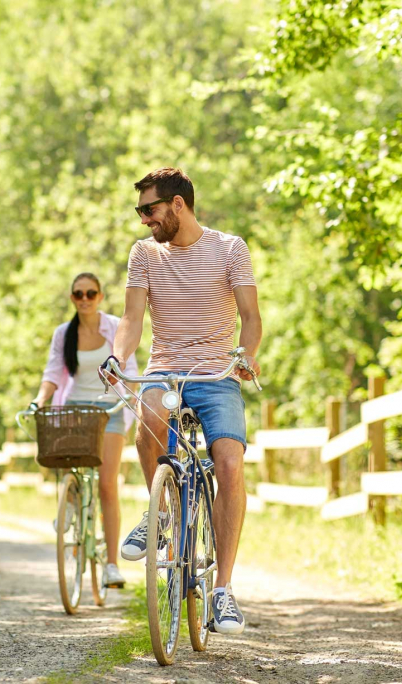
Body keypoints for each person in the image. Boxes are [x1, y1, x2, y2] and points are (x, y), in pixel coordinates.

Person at [107, 168, 262, 636]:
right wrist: (118, 357)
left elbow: (252, 316)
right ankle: (163, 511)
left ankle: (223, 591)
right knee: (149, 415)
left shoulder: (231, 248)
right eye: (140, 211)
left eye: (149, 210)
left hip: (218, 374)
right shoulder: (144, 255)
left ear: (178, 205)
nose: (143, 221)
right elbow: (133, 318)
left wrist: (246, 356)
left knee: (229, 461)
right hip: (165, 369)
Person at [33, 273, 138, 589]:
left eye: (91, 293)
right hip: (75, 408)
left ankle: (111, 566)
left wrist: (130, 396)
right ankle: (70, 503)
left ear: (100, 296)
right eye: (79, 294)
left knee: (107, 484)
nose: (85, 299)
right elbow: (53, 372)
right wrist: (40, 400)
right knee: (68, 464)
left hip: (110, 410)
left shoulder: (115, 327)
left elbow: (130, 371)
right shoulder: (64, 334)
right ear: (72, 298)